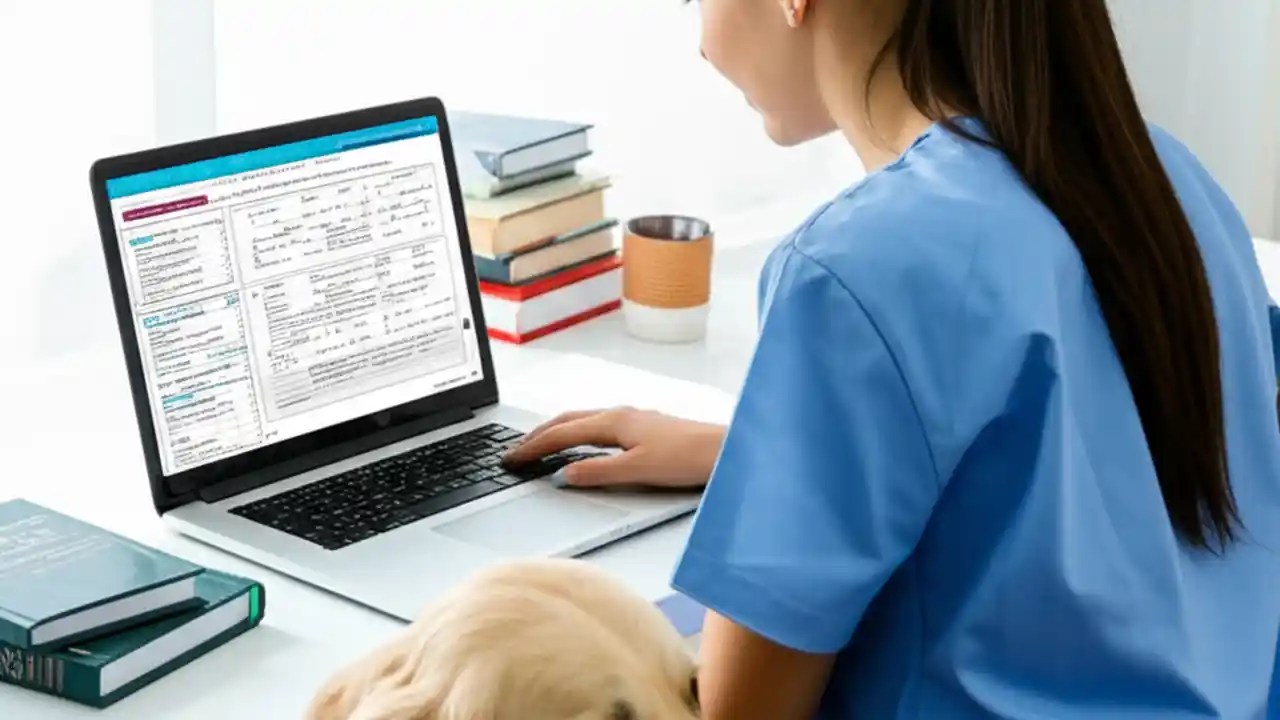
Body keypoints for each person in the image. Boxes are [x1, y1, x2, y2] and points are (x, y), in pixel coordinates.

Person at [504, 0, 1280, 717]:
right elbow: (1079, 438)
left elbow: (744, 710)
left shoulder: (857, 265)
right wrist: (755, 458)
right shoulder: (1168, 181)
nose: (701, 43)